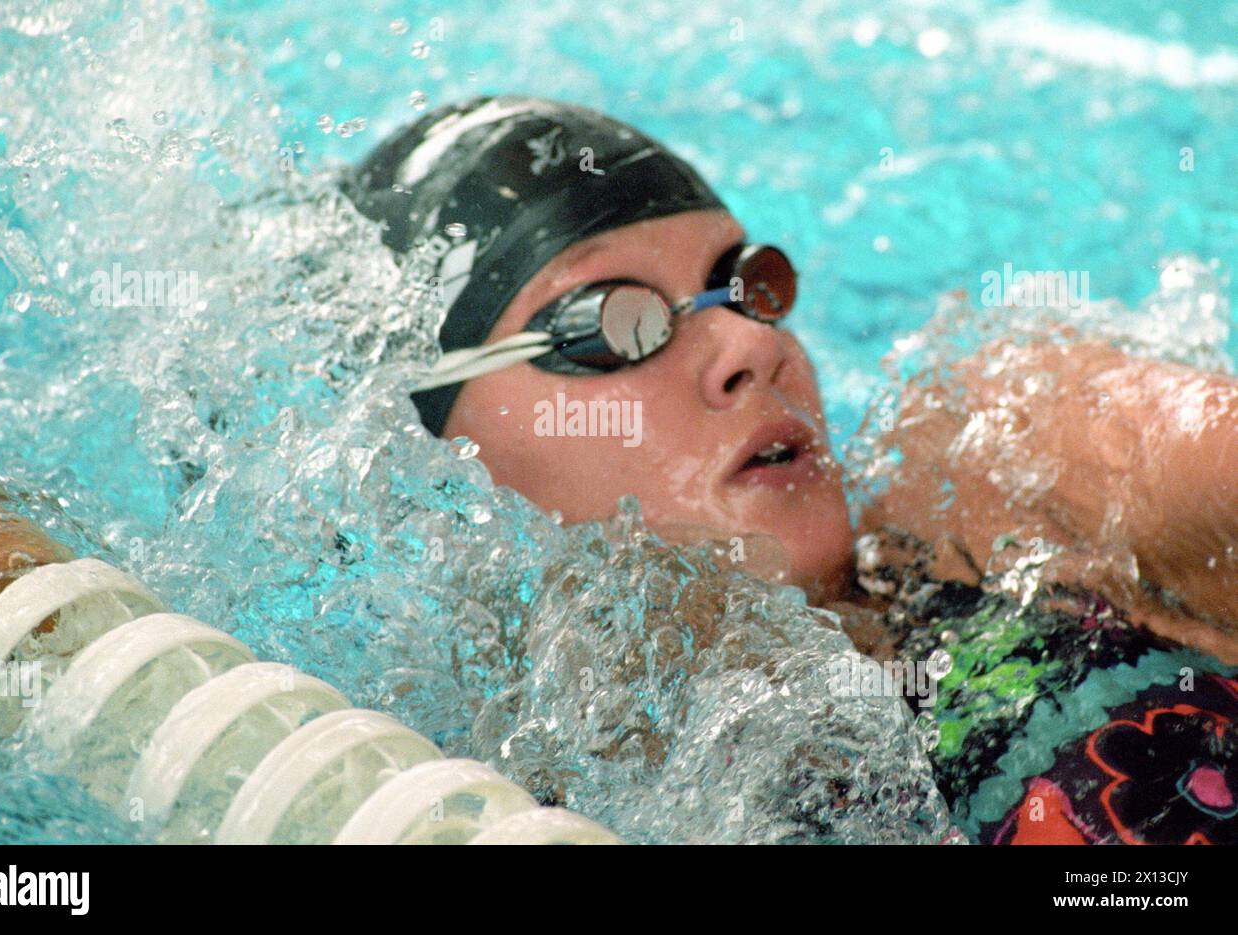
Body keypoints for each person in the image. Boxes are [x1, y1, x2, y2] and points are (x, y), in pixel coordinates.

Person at [339, 95, 1238, 843]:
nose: (752, 342)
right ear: (424, 465)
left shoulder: (996, 497)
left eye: (745, 284)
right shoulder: (431, 797)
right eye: (614, 321)